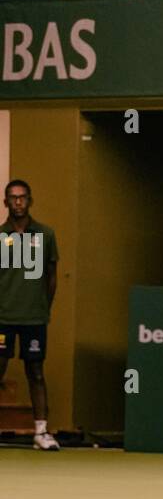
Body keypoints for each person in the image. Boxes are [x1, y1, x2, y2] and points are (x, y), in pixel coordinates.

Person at [0, 178, 61, 449]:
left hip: (34, 318)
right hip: (3, 317)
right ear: (5, 202)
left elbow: (51, 277)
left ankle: (41, 432)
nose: (18, 202)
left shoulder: (46, 235)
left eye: (23, 197)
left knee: (35, 372)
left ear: (30, 200)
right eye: (13, 197)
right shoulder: (0, 237)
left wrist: (42, 307)